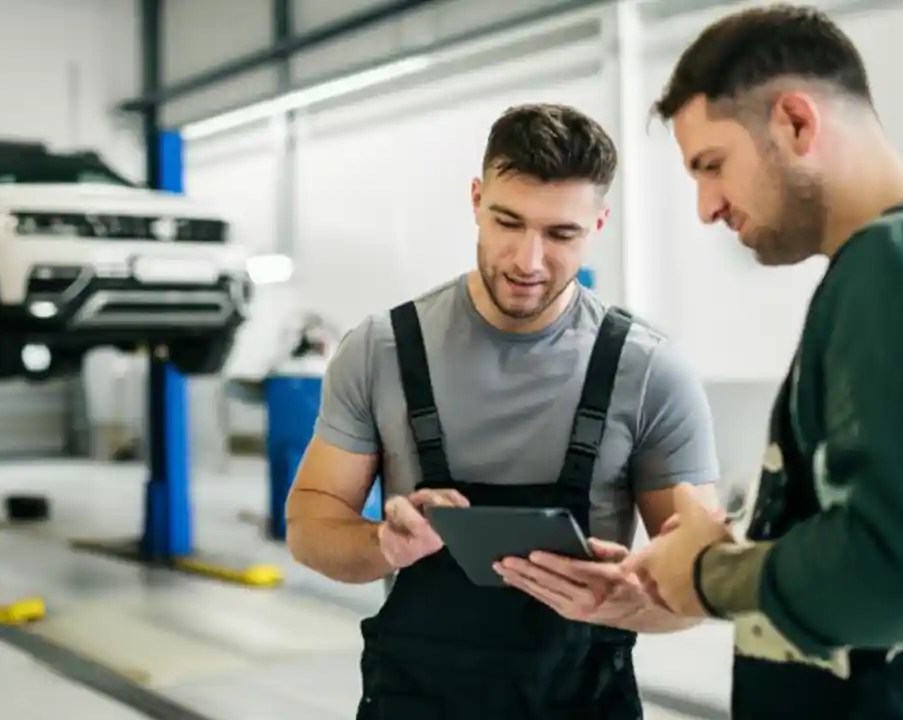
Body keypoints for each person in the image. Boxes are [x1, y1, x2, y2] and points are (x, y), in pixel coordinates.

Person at [284, 102, 721, 720]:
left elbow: (701, 581)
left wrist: (625, 601)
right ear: (475, 200)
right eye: (507, 222)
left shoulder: (648, 372)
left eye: (560, 234)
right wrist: (385, 543)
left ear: (599, 223)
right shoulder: (382, 351)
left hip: (581, 702)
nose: (527, 261)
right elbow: (308, 527)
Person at [625, 5, 903, 719]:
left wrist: (706, 573)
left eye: (713, 166)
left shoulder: (900, 266)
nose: (706, 207)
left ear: (796, 122)